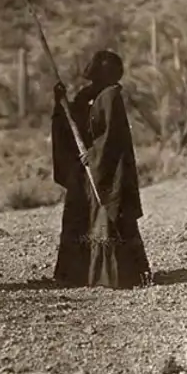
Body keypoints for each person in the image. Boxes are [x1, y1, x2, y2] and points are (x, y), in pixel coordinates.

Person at [51, 49, 152, 289]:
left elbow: (112, 137)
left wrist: (93, 155)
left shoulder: (110, 96)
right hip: (88, 169)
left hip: (106, 170)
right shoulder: (91, 94)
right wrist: (61, 103)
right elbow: (73, 122)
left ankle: (114, 275)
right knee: (82, 214)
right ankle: (79, 274)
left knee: (106, 215)